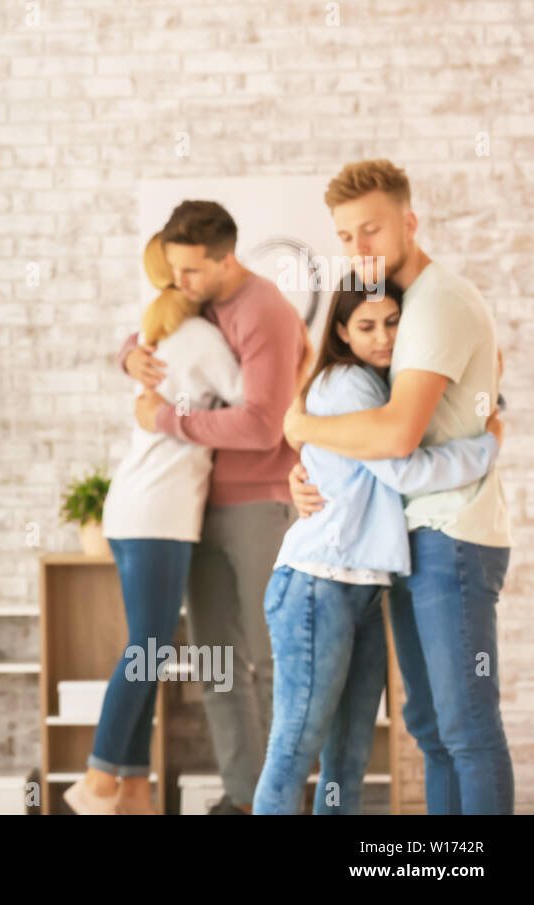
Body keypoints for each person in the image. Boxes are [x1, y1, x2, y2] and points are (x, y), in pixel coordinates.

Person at [284, 159, 514, 814]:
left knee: (466, 729)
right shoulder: (402, 306)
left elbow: (397, 435)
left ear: (409, 223)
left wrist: (300, 424)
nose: (358, 248)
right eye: (345, 235)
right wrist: (308, 462)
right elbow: (372, 426)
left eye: (372, 229)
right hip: (415, 538)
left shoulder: (436, 301)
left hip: (453, 535)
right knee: (434, 730)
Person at [119, 201, 308, 813]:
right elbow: (160, 329)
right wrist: (129, 353)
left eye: (192, 272)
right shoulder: (199, 298)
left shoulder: (266, 313)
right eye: (174, 271)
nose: (180, 283)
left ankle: (282, 799)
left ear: (227, 259)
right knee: (219, 664)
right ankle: (243, 797)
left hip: (258, 504)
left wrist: (165, 419)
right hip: (196, 507)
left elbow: (262, 426)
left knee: (266, 660)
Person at [65, 235, 242, 815]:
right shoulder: (201, 338)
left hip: (138, 510)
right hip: (159, 513)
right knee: (146, 648)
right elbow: (257, 403)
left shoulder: (158, 335)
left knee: (151, 647)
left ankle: (134, 790)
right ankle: (96, 782)